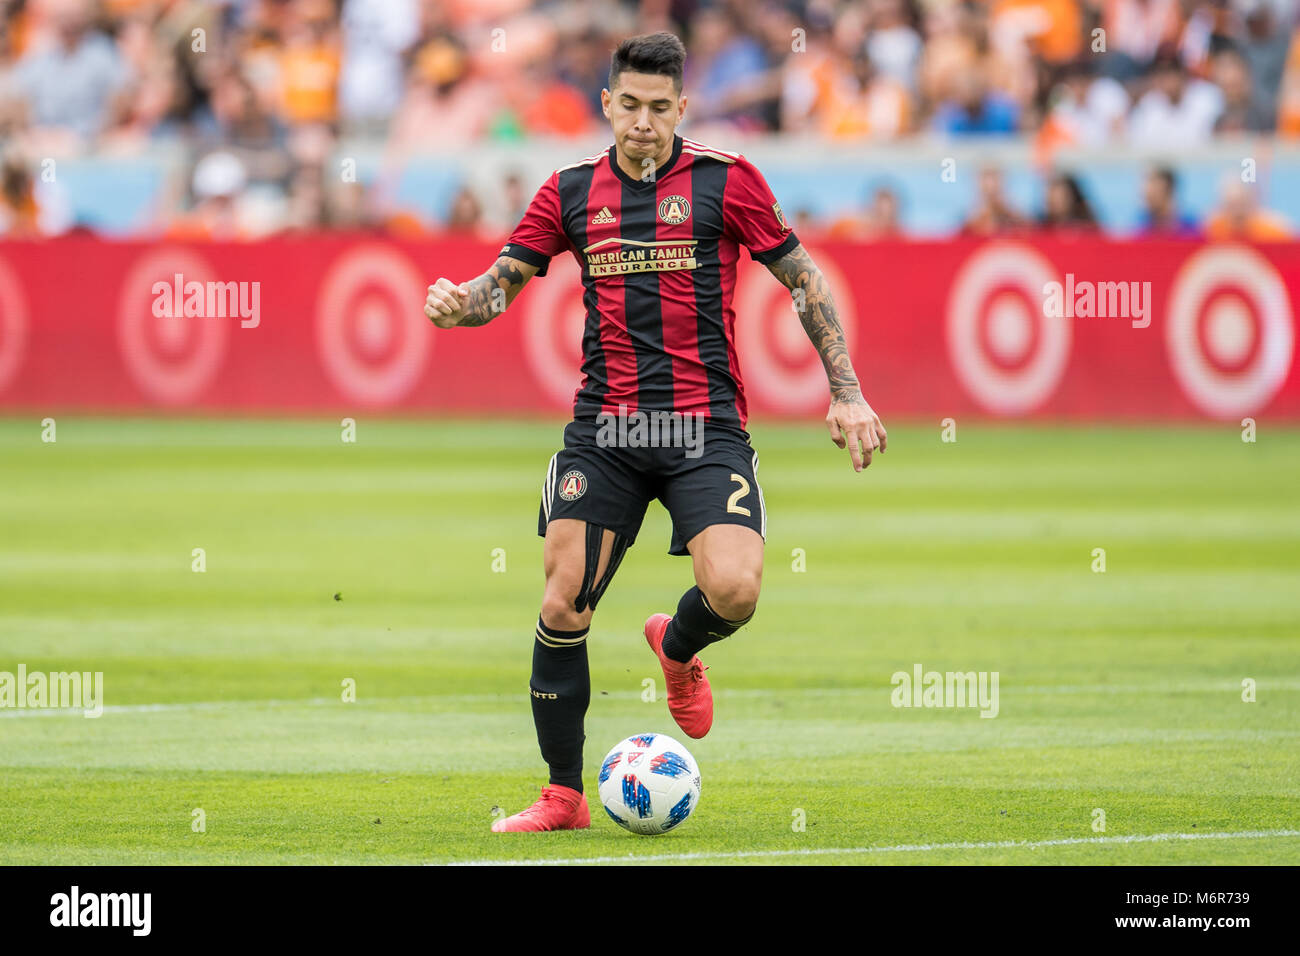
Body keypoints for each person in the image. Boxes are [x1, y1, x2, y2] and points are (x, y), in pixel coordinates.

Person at [423, 32, 886, 834]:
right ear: (607, 103)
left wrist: (846, 392)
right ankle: (563, 797)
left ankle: (676, 648)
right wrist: (463, 303)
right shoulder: (569, 190)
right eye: (628, 105)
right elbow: (502, 284)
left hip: (706, 428)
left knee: (736, 590)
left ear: (683, 107)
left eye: (659, 107)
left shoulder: (726, 180)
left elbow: (803, 278)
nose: (642, 122)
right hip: (606, 429)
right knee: (563, 598)